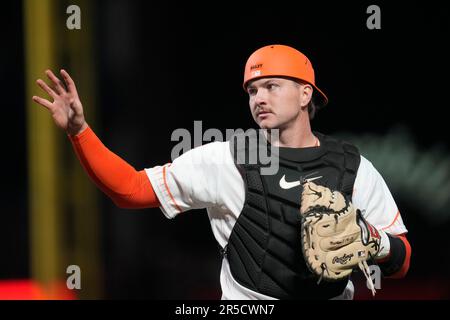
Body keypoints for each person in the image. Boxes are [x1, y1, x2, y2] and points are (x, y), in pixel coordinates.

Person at [32, 44, 411, 300]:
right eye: (252, 90)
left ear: (305, 94)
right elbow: (129, 189)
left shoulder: (351, 166)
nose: (259, 98)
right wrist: (80, 132)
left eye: (271, 86)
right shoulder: (226, 159)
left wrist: (374, 241)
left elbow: (403, 259)